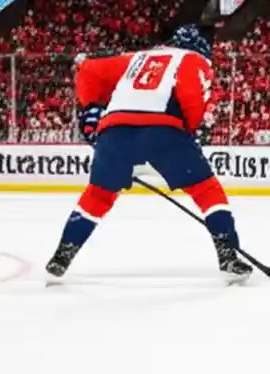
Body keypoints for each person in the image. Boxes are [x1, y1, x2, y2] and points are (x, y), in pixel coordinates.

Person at [44, 25, 252, 282]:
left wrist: (93, 109)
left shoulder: (139, 57)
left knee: (98, 195)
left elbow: (88, 70)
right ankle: (228, 254)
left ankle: (62, 255)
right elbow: (191, 95)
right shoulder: (194, 60)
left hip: (115, 130)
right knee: (206, 190)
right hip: (163, 129)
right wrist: (189, 128)